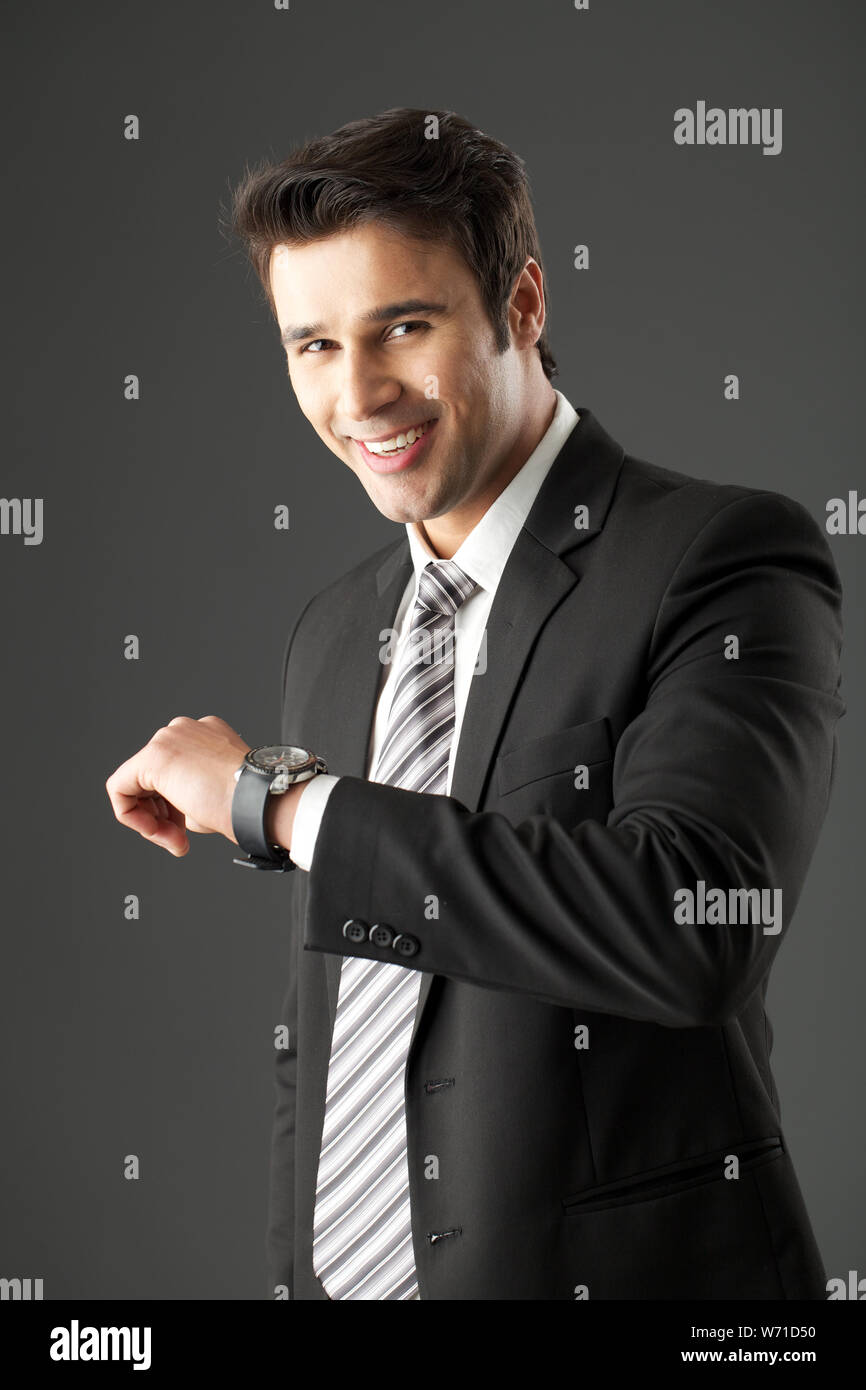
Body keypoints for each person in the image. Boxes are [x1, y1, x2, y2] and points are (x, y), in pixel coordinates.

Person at [106, 107, 844, 1300]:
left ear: (523, 305)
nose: (359, 394)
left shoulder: (722, 556)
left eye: (403, 324)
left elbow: (694, 924)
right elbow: (334, 1029)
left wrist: (288, 807)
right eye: (312, 345)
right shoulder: (337, 631)